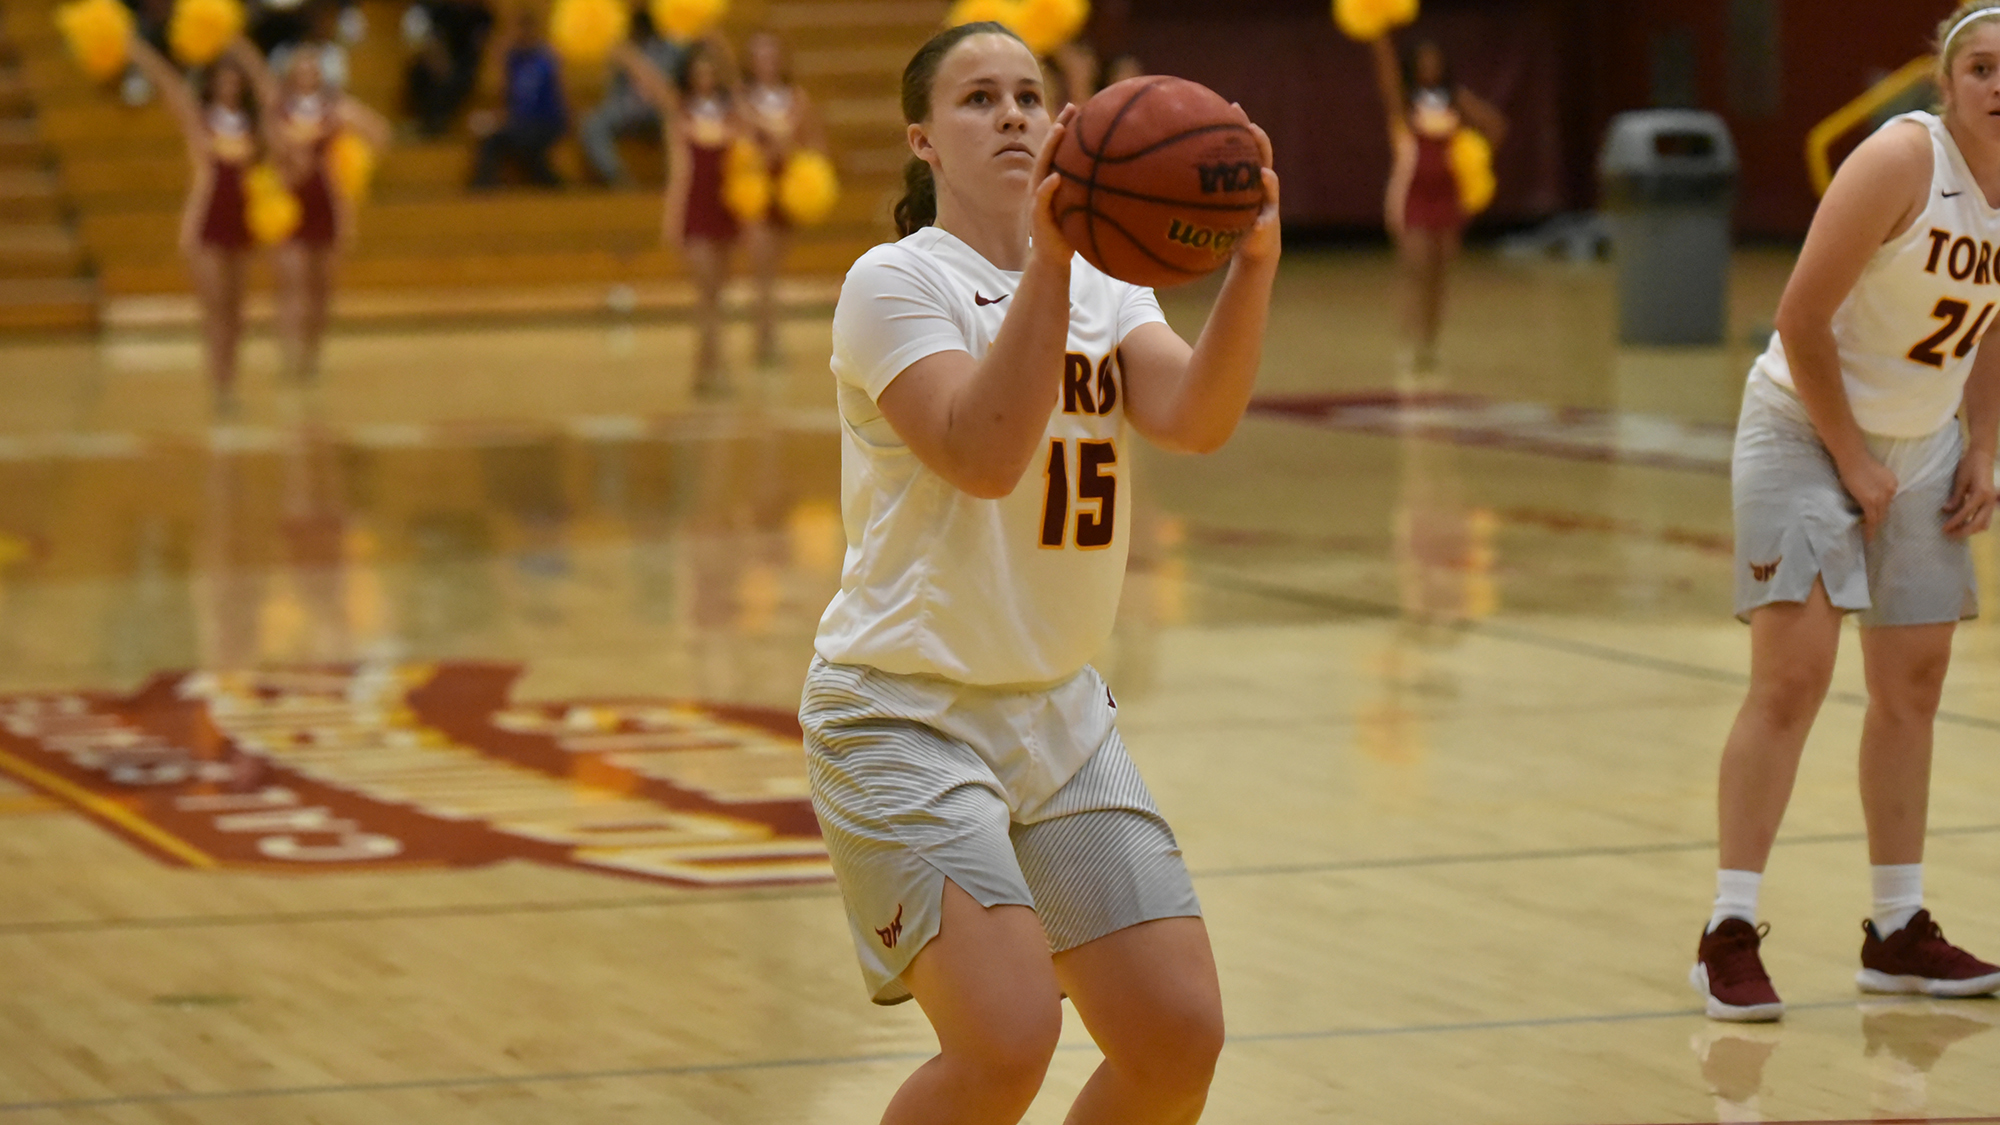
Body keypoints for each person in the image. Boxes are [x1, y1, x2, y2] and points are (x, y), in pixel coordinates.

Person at [798, 20, 1279, 1124]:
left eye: (1028, 95)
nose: (1010, 113)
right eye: (977, 99)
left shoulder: (1109, 290)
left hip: (1058, 714)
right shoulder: (893, 283)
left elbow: (1193, 418)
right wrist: (1056, 260)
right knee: (1007, 1038)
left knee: (1173, 1039)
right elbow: (980, 453)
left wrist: (1251, 266)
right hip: (899, 712)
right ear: (922, 140)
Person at [1689, 0, 2000, 1023]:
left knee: (1911, 681)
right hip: (1801, 425)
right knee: (1792, 677)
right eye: (1981, 69)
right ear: (1946, 82)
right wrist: (1852, 459)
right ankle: (1724, 932)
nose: (1998, 87)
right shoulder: (1899, 161)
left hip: (1920, 445)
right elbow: (1797, 316)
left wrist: (1981, 449)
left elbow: (1989, 330)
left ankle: (1894, 930)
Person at [126, 35, 264, 415]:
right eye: (223, 79)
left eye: (235, 81)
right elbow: (171, 88)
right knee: (214, 307)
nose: (229, 86)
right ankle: (220, 387)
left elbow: (269, 92)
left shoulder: (253, 127)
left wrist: (240, 45)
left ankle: (231, 380)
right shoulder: (201, 122)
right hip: (206, 222)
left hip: (243, 222)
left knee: (237, 311)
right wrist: (138, 50)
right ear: (213, 84)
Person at [242, 43, 390, 382]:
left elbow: (380, 133)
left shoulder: (334, 109)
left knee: (322, 289)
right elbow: (270, 147)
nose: (308, 75)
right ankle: (289, 358)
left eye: (314, 69)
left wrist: (354, 166)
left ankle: (311, 357)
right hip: (289, 206)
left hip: (326, 203)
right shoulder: (278, 110)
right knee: (291, 285)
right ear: (292, 73)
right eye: (302, 68)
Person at [1369, 34, 1504, 372]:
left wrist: (1475, 161)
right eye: (1423, 61)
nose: (1430, 67)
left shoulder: (1455, 100)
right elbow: (1386, 78)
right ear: (1414, 66)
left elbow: (1495, 125)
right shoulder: (1404, 103)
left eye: (1435, 60)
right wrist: (1379, 39)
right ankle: (1409, 340)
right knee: (1416, 269)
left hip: (1448, 196)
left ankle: (1431, 342)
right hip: (1413, 195)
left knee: (1440, 273)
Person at [618, 37, 740, 392]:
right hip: (694, 209)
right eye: (698, 70)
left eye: (709, 71)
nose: (704, 77)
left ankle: (710, 367)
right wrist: (627, 55)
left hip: (727, 209)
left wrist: (716, 41)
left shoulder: (732, 111)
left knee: (718, 295)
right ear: (689, 74)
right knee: (705, 295)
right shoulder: (679, 109)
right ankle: (709, 372)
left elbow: (740, 86)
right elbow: (653, 84)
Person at [739, 29, 825, 366]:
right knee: (761, 271)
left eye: (771, 56)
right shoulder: (742, 98)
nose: (765, 63)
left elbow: (815, 144)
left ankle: (770, 338)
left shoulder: (797, 98)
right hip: (756, 190)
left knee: (775, 268)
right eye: (759, 56)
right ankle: (764, 341)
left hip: (787, 189)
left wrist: (799, 160)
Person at [578, 14, 680, 187]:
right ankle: (618, 180)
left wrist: (632, 61)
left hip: (660, 110)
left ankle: (678, 180)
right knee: (592, 123)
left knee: (682, 120)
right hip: (627, 109)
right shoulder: (623, 46)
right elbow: (612, 90)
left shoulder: (672, 49)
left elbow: (670, 94)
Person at [469, 9, 566, 188]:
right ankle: (484, 186)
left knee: (520, 145)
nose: (522, 35)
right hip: (521, 123)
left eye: (526, 30)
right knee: (499, 140)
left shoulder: (546, 60)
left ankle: (551, 183)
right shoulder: (514, 60)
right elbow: (509, 97)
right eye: (519, 30)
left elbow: (549, 102)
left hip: (545, 122)